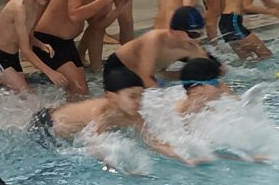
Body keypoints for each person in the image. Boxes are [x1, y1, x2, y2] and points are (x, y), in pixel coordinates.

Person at [28, 64, 199, 170]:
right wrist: (118, 168)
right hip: (46, 127)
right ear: (112, 97)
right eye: (132, 96)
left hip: (65, 127)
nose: (138, 102)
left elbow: (155, 143)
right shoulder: (102, 112)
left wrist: (185, 159)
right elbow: (94, 145)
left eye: (140, 95)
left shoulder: (135, 117)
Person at [31, 0, 127, 98]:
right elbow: (74, 15)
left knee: (82, 91)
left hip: (67, 43)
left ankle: (68, 114)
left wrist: (119, 8)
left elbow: (98, 26)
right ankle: (56, 117)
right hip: (46, 41)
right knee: (79, 89)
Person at [105, 6, 207, 88]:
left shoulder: (191, 47)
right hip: (120, 68)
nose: (197, 39)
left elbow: (216, 70)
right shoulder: (153, 40)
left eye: (200, 34)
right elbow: (144, 77)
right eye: (194, 34)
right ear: (176, 31)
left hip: (146, 74)